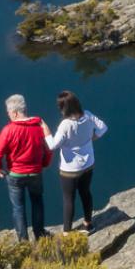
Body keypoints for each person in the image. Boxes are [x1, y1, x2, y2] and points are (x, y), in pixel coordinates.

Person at [43, 90, 107, 232]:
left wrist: (45, 130)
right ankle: (88, 224)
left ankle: (66, 232)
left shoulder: (65, 124)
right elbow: (103, 128)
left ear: (64, 108)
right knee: (85, 193)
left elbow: (53, 145)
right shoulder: (88, 115)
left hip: (70, 170)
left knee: (69, 200)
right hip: (88, 165)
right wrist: (92, 138)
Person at [0, 93, 52, 239]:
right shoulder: (38, 126)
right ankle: (40, 235)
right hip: (36, 173)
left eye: (9, 112)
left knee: (18, 208)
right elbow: (48, 147)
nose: (8, 114)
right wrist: (45, 163)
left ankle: (23, 241)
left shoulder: (9, 130)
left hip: (15, 175)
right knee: (37, 202)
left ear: (16, 113)